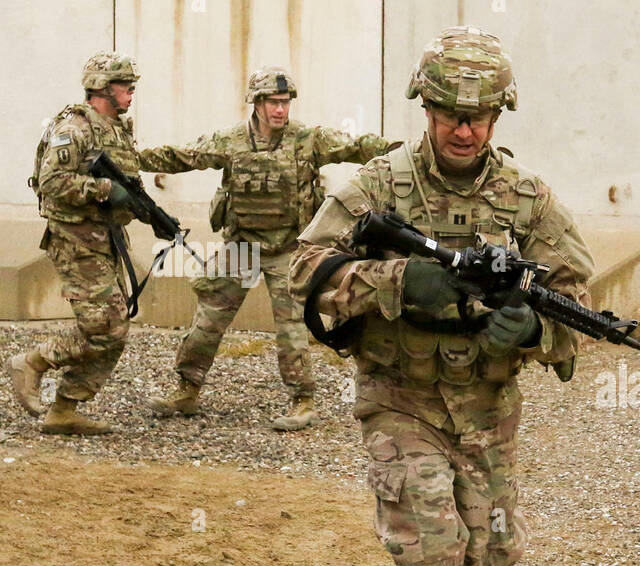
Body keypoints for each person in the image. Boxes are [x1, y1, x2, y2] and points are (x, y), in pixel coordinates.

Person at [290, 27, 594, 566]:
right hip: (402, 403)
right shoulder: (378, 186)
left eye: (481, 114)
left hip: (487, 416)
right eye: (450, 112)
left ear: (500, 115)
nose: (465, 128)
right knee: (430, 549)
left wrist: (533, 330)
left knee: (487, 560)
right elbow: (307, 269)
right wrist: (397, 283)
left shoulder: (529, 199)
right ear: (424, 109)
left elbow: (576, 300)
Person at [140, 67, 399, 430]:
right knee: (208, 320)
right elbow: (183, 156)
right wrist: (131, 158)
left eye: (285, 102)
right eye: (274, 103)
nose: (281, 110)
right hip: (243, 245)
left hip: (288, 248)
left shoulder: (309, 139)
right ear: (257, 104)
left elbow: (357, 146)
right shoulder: (230, 141)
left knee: (292, 325)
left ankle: (302, 400)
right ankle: (187, 388)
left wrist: (405, 153)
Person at [9, 52, 147, 435]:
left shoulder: (116, 129)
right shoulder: (74, 128)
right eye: (124, 84)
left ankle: (64, 409)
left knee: (114, 331)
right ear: (103, 87)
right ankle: (33, 361)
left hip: (103, 240)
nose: (131, 91)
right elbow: (52, 183)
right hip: (75, 241)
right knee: (105, 326)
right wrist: (104, 189)